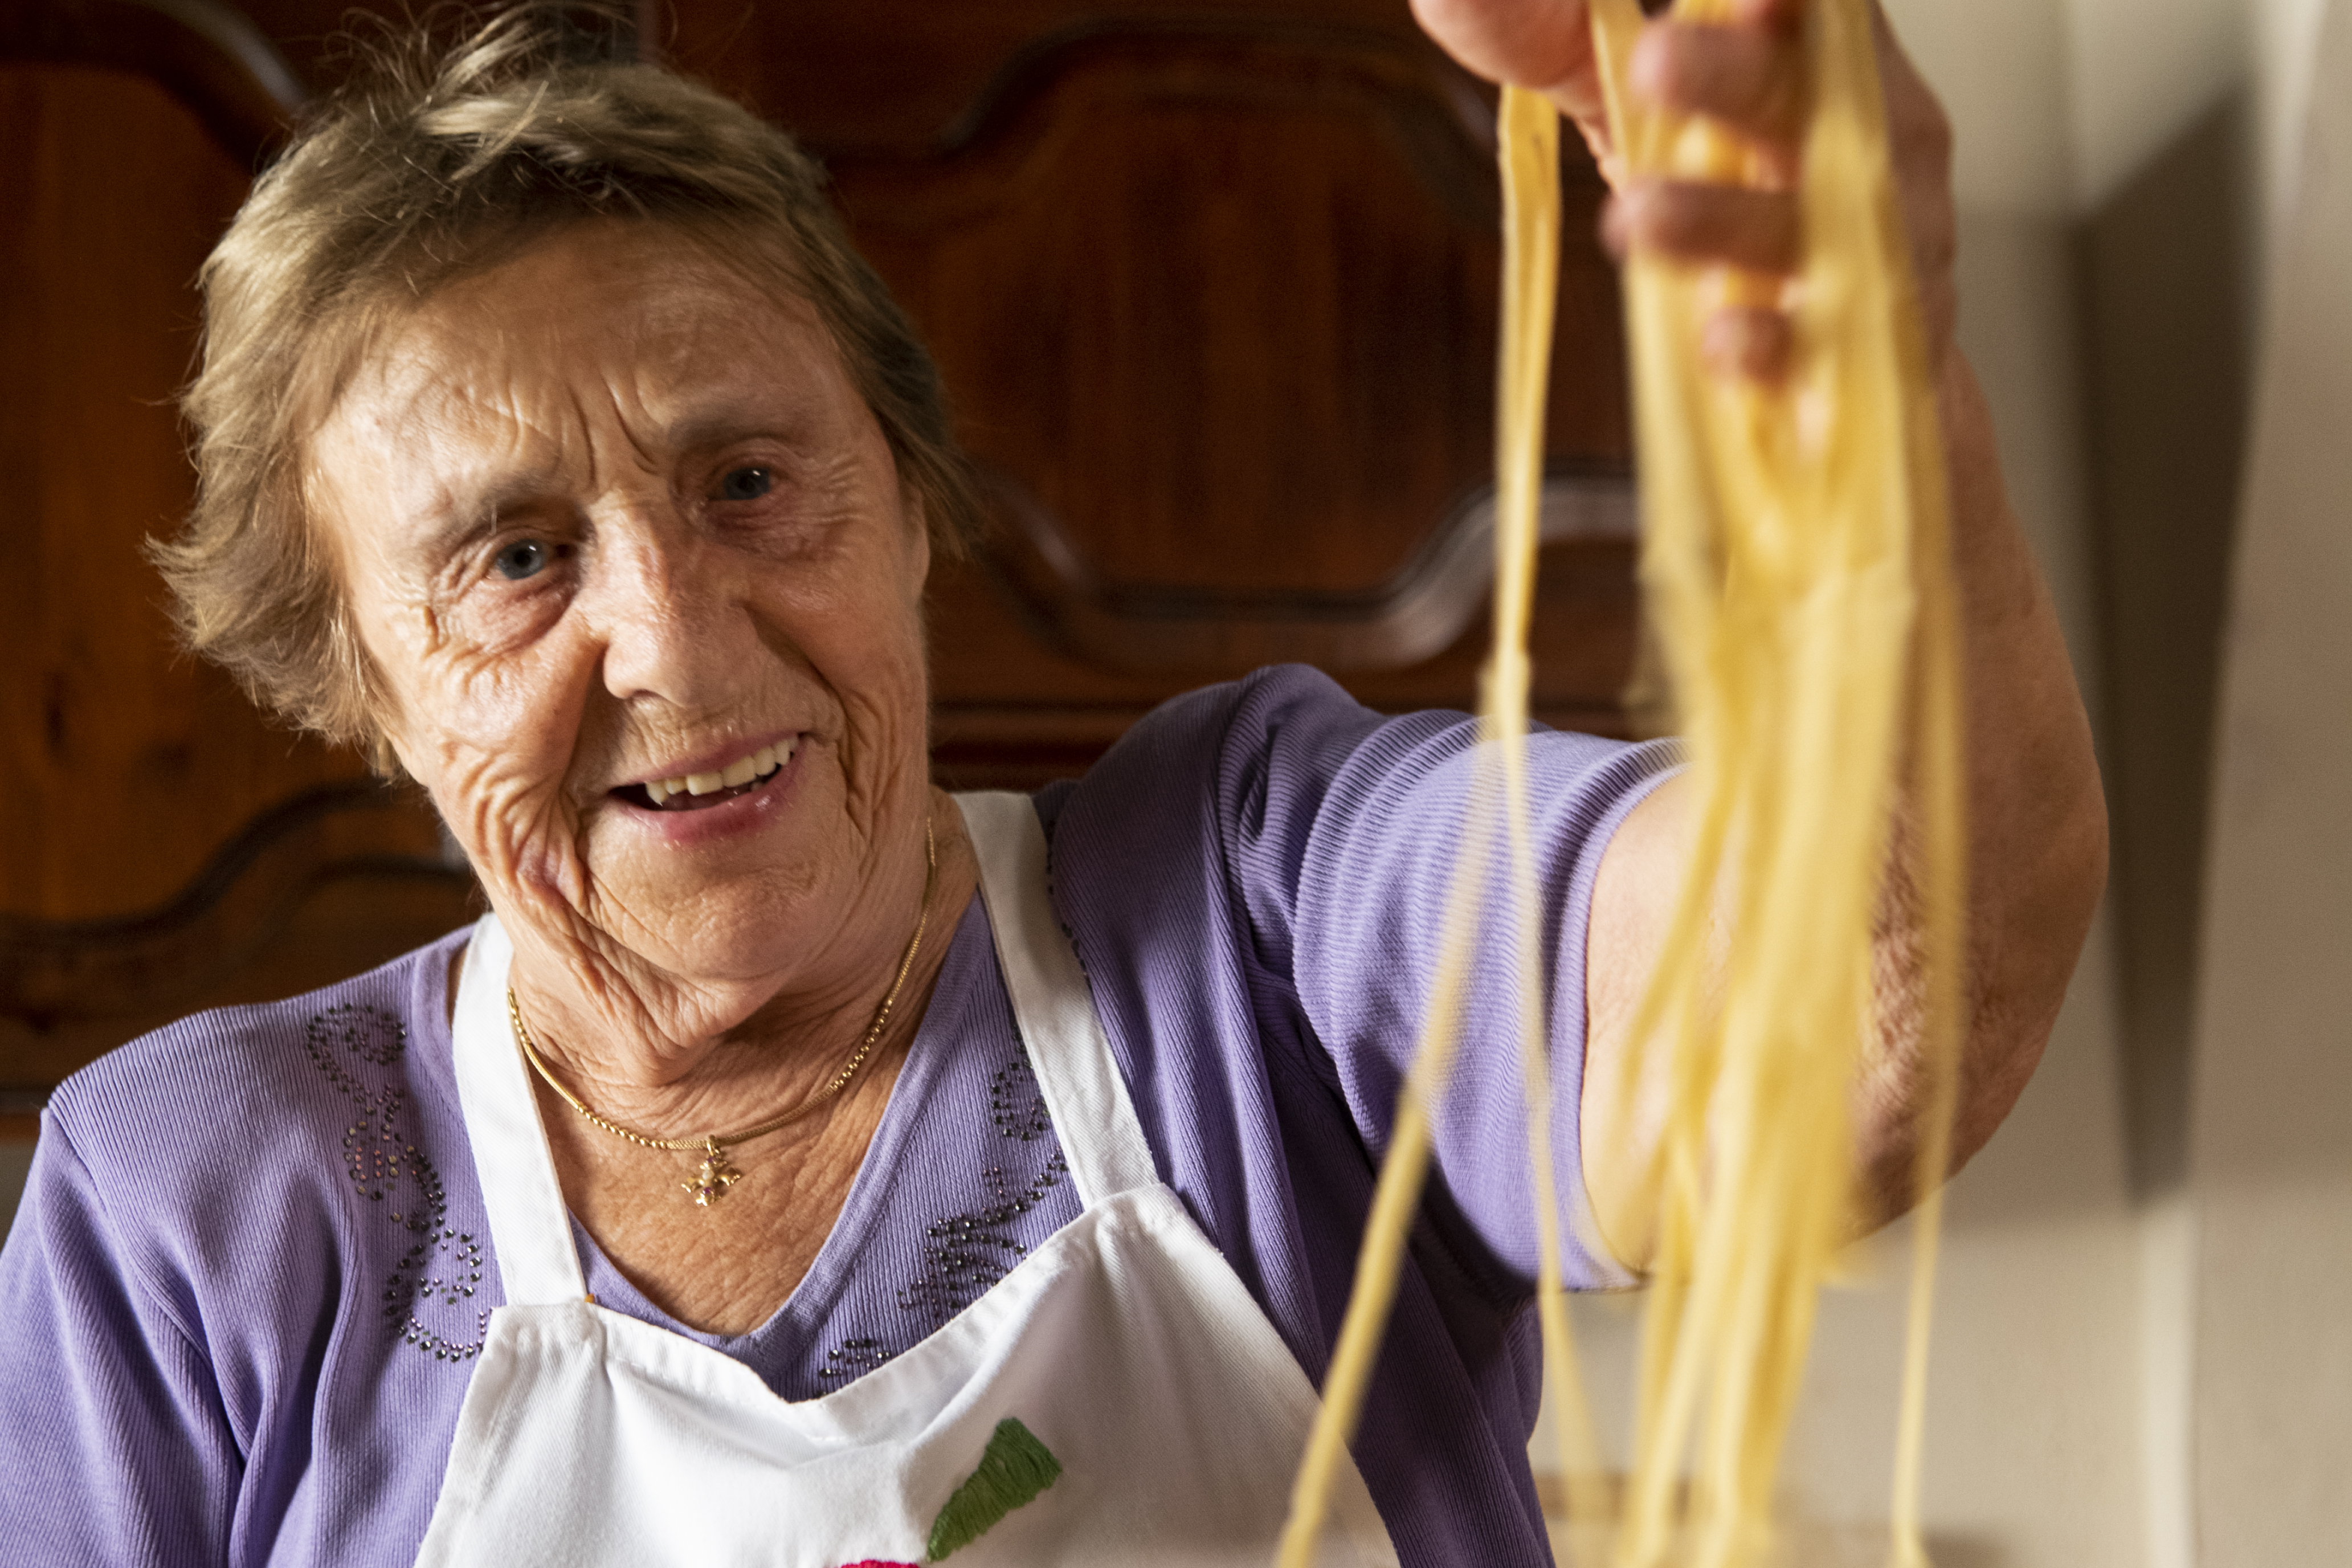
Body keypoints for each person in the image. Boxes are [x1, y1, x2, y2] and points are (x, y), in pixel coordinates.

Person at [0, 1, 2105, 1563]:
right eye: (517, 557)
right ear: (356, 678)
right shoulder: (206, 1212)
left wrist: (1871, 430)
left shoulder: (1253, 918)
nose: (678, 638)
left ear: (912, 508)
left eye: (749, 481)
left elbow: (1864, 1019)